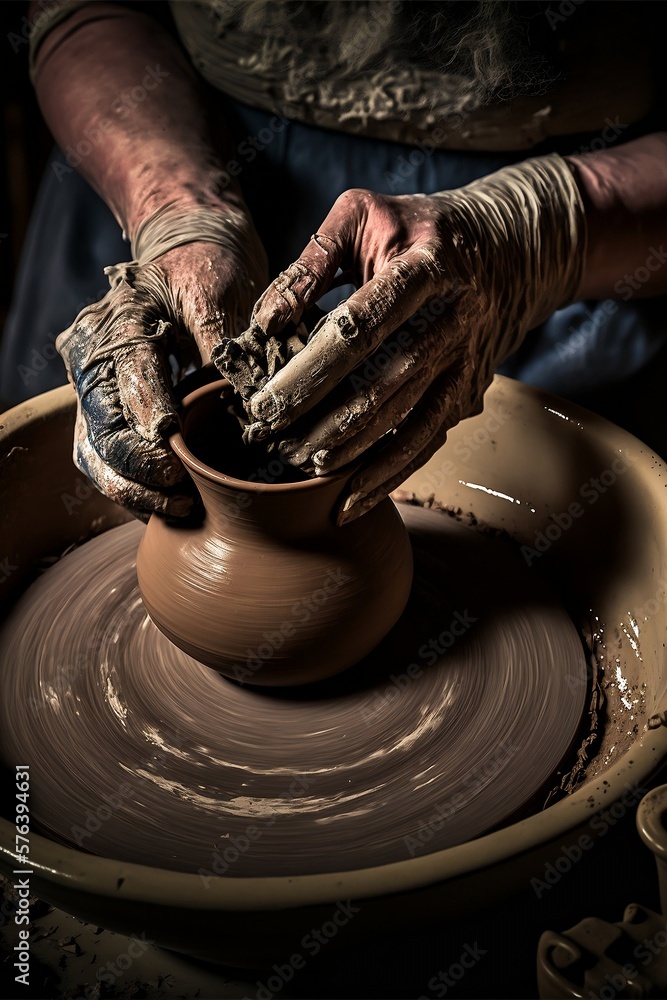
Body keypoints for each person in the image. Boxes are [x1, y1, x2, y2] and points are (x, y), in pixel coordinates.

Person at [3, 0, 667, 523]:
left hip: (594, 203)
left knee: (581, 503)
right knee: (118, 435)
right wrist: (177, 211)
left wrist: (535, 231)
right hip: (164, 130)